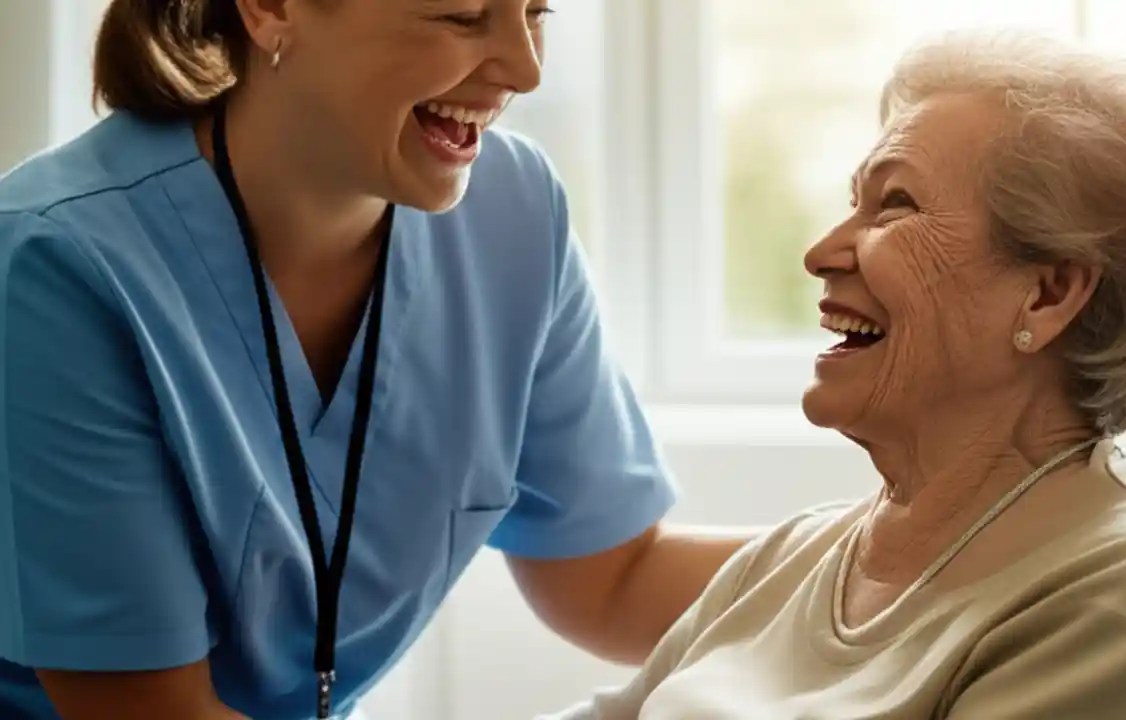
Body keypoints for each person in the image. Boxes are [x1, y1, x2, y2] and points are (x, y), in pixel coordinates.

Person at [0, 1, 751, 718]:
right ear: (269, 6)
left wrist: (864, 558)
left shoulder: (513, 211)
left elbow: (612, 582)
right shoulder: (57, 263)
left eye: (535, 15)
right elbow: (147, 711)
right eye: (462, 17)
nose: (525, 72)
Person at [548, 30, 1126, 719]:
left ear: (1047, 295)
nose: (822, 252)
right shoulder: (795, 556)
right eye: (850, 205)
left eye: (895, 205)